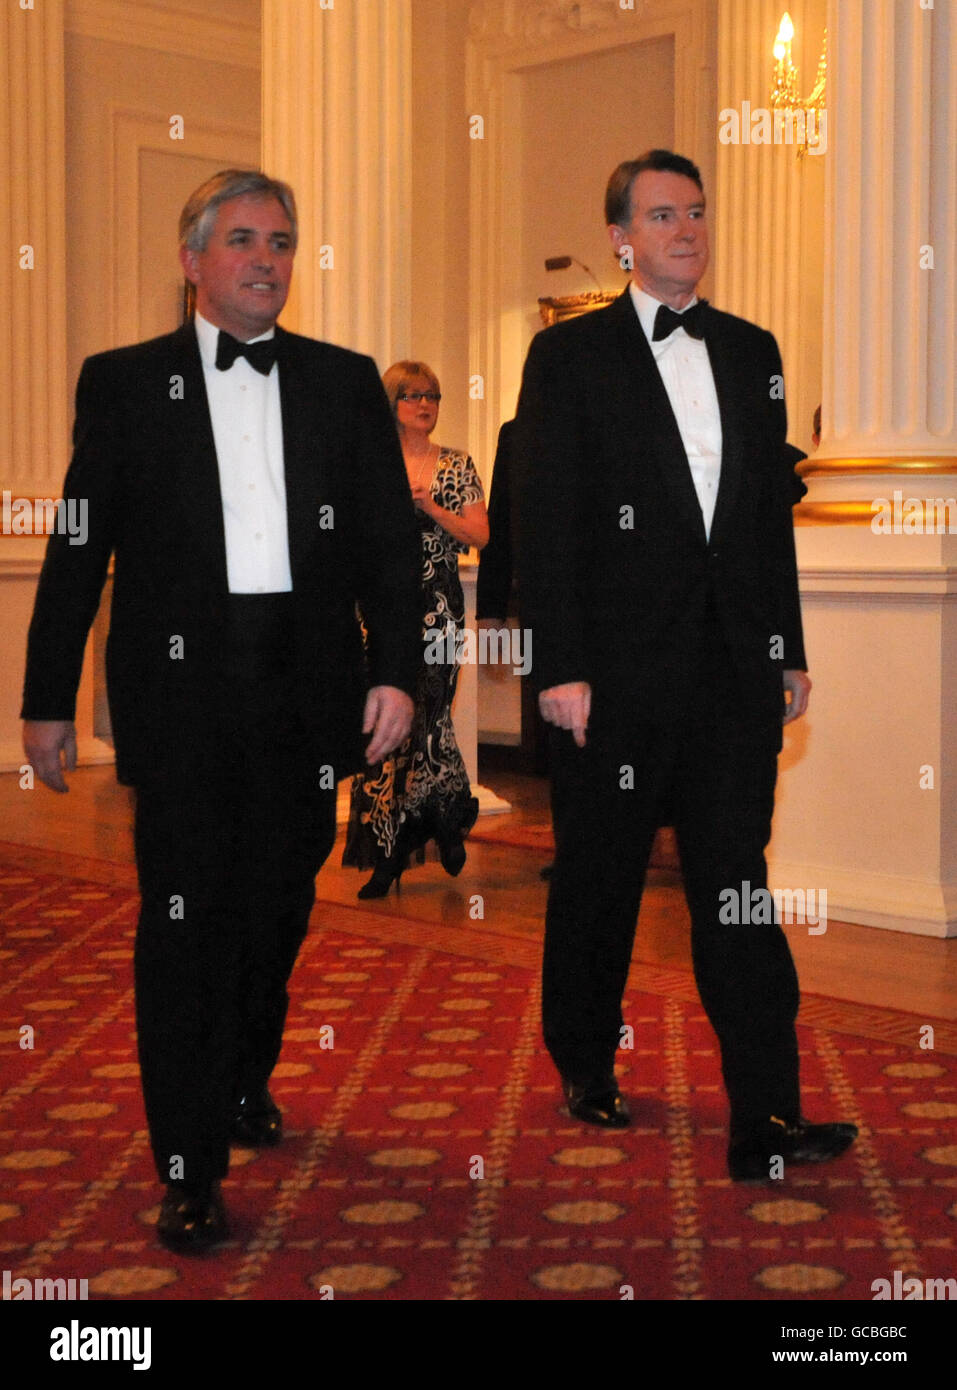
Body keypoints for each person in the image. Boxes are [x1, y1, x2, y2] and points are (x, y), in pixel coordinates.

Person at [20, 169, 421, 1251]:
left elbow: (392, 544)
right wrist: (45, 696)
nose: (266, 260)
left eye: (282, 241)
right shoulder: (122, 381)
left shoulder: (343, 385)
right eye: (242, 239)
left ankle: (243, 1073)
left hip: (309, 690)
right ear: (193, 259)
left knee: (277, 905)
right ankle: (189, 1164)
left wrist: (400, 674)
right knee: (185, 922)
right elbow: (77, 550)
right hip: (182, 692)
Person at [512, 149, 857, 1182]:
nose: (687, 231)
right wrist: (559, 665)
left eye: (697, 213)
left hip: (729, 681)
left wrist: (786, 646)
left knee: (735, 889)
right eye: (664, 215)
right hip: (610, 681)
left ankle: (769, 1115)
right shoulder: (570, 358)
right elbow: (548, 521)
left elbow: (763, 524)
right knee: (600, 881)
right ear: (621, 236)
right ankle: (584, 1058)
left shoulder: (754, 351)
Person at [343, 362, 488, 898]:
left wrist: (431, 507)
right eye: (412, 395)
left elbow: (481, 532)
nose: (425, 405)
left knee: (429, 717)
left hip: (439, 608)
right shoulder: (371, 462)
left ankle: (434, 825)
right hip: (381, 607)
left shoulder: (455, 465)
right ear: (392, 401)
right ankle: (401, 843)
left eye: (433, 395)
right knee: (382, 720)